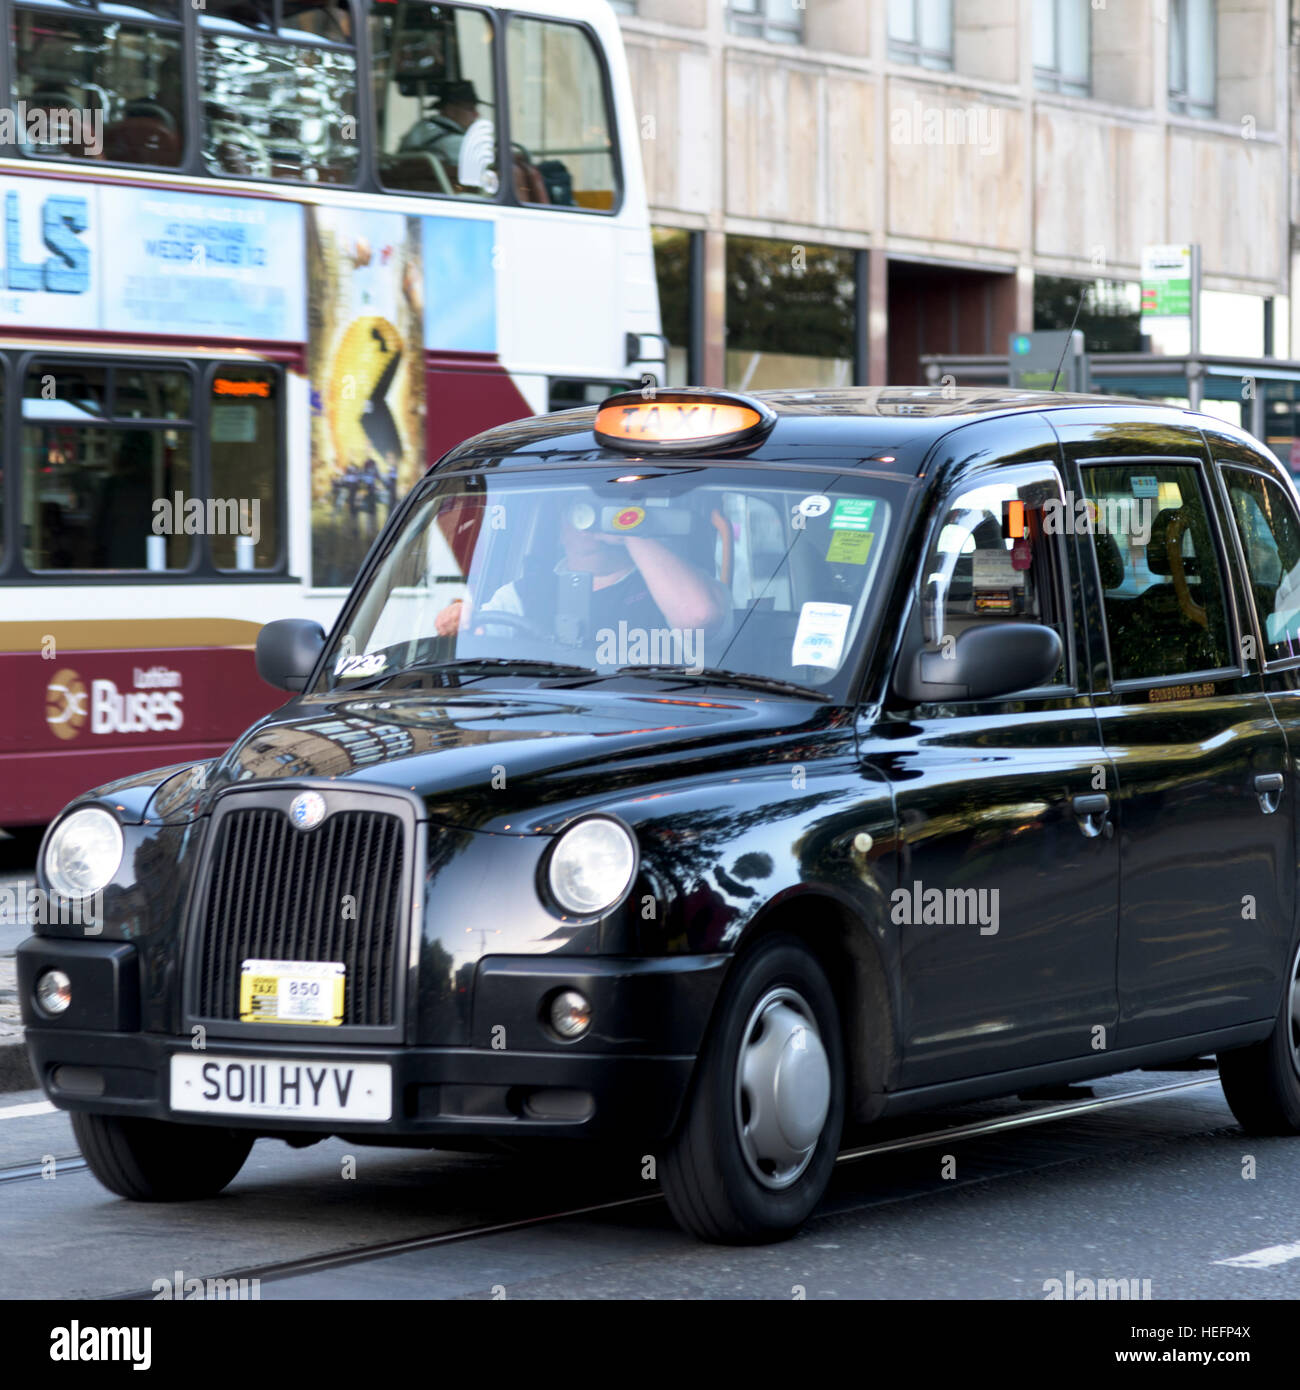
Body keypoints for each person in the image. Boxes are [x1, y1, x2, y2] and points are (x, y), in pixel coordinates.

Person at [434, 498, 731, 648]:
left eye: (608, 510)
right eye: (582, 511)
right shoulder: (521, 595)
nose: (592, 524)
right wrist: (460, 617)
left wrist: (629, 531)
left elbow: (698, 616)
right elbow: (478, 639)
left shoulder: (672, 589)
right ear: (561, 530)